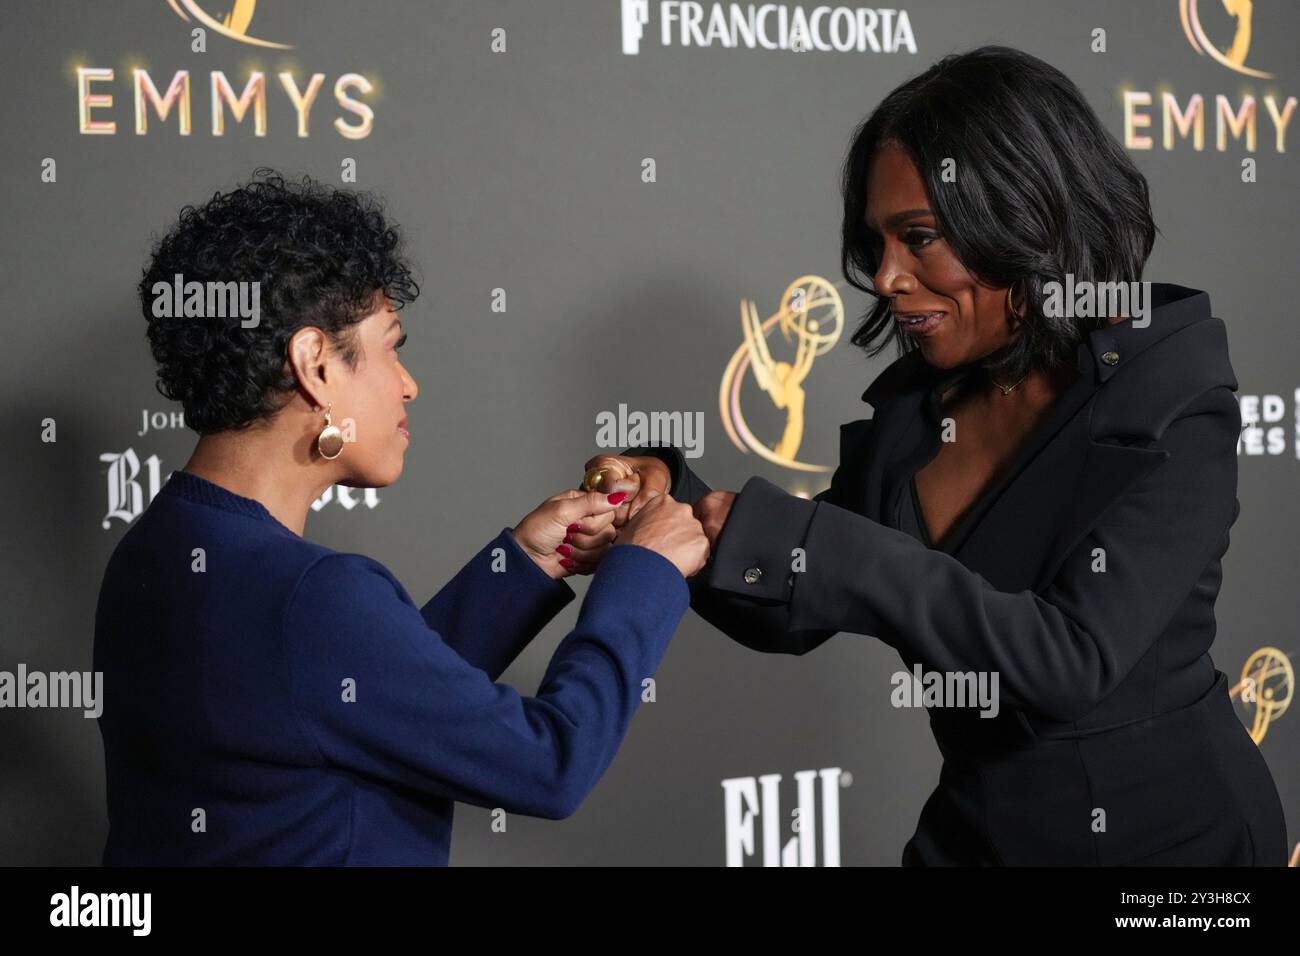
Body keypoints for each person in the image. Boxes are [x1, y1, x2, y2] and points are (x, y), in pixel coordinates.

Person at [586, 46, 1288, 865]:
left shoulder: (1166, 401)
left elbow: (1070, 660)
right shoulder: (917, 411)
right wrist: (667, 502)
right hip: (982, 832)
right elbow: (798, 599)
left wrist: (824, 547)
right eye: (876, 242)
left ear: (1030, 219)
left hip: (1171, 849)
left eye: (919, 238)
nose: (885, 276)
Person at [94, 169, 709, 865]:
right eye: (392, 345)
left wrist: (531, 562)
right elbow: (550, 765)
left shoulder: (156, 548)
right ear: (315, 365)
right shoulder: (314, 595)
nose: (408, 384)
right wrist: (644, 575)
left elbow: (354, 699)